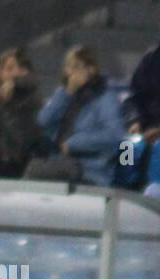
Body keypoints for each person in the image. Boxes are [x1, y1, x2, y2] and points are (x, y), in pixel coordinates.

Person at [26, 46, 124, 186]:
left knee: (35, 171)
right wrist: (67, 93)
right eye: (68, 67)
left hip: (90, 170)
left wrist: (73, 144)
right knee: (32, 168)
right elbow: (42, 121)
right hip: (59, 162)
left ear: (91, 69)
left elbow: (114, 136)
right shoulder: (64, 94)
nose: (71, 72)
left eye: (77, 67)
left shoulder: (105, 97)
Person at [0, 47, 43, 178]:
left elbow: (27, 136)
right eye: (5, 69)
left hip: (22, 165)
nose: (8, 74)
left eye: (12, 69)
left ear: (24, 71)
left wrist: (9, 102)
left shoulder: (34, 99)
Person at [123, 2, 160, 145]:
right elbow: (134, 96)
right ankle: (124, 167)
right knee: (126, 147)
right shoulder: (151, 58)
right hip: (146, 131)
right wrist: (134, 121)